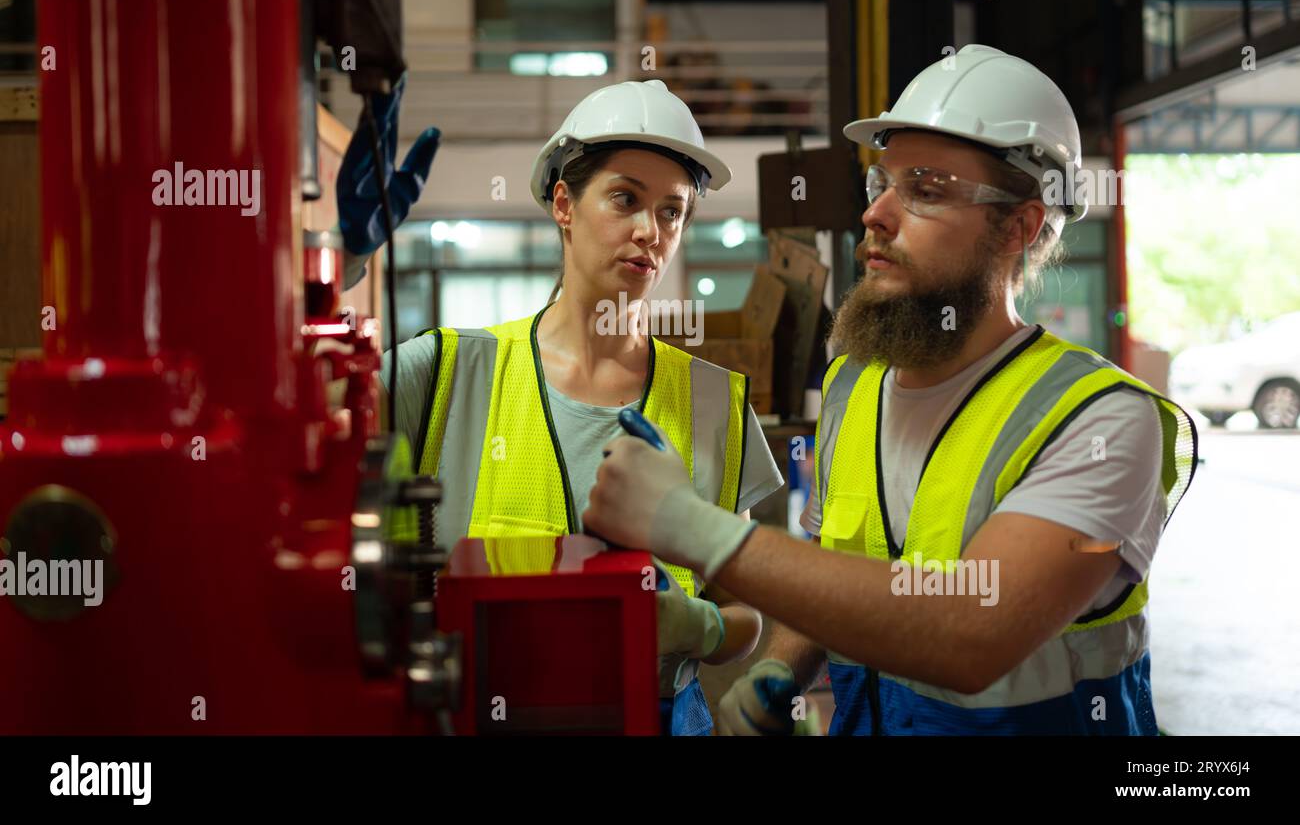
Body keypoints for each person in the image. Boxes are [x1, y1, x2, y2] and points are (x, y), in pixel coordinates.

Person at [582, 45, 1199, 736]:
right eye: (883, 184)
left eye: (926, 191)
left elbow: (970, 637)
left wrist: (690, 526)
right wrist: (782, 666)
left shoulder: (1097, 421)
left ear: (1019, 228)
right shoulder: (854, 384)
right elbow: (837, 572)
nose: (876, 214)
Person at [376, 79, 785, 736]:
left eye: (673, 211)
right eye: (625, 198)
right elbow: (283, 409)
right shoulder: (446, 371)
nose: (650, 231)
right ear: (564, 204)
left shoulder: (712, 400)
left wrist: (697, 625)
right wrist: (340, 257)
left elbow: (745, 618)